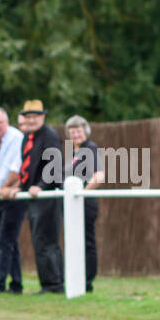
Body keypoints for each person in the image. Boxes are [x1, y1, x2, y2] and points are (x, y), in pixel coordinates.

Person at [17, 99, 65, 293]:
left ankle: (54, 284)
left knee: (47, 241)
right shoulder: (27, 138)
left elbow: (54, 166)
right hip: (32, 196)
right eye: (28, 117)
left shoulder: (50, 136)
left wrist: (41, 186)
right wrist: (20, 187)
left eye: (35, 116)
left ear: (42, 117)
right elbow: (27, 167)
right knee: (39, 240)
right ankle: (47, 283)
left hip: (46, 196)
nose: (31, 120)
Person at [0, 107, 26, 295]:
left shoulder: (16, 137)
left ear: (7, 122)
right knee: (10, 241)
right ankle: (16, 284)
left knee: (4, 239)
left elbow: (14, 169)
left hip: (12, 195)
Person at [65, 115, 105, 292]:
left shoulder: (90, 148)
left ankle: (87, 281)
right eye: (72, 132)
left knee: (86, 241)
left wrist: (82, 194)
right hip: (71, 204)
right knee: (74, 241)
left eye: (79, 131)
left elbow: (99, 176)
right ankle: (76, 280)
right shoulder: (73, 151)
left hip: (84, 203)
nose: (76, 134)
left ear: (85, 131)